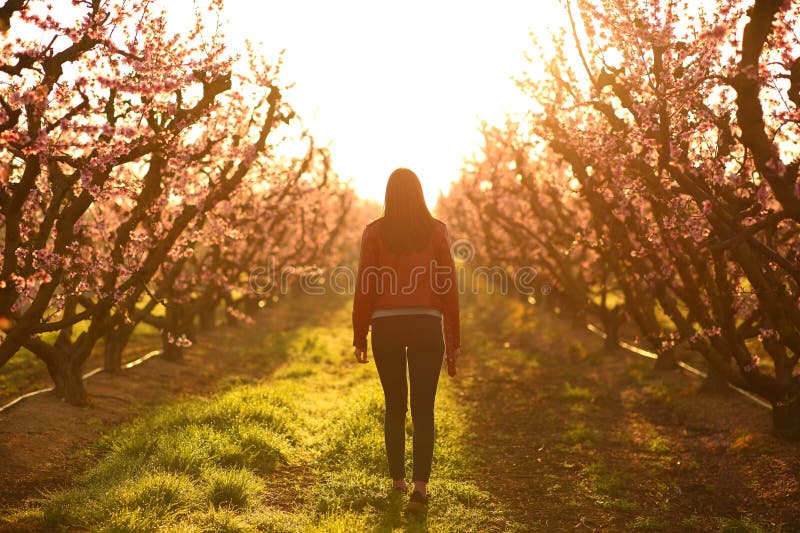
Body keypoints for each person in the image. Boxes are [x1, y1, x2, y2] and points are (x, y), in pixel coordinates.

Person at [352, 167, 461, 514]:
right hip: (427, 325)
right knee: (424, 408)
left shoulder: (374, 233)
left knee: (395, 405)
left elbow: (364, 287)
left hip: (386, 327)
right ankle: (420, 490)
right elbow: (449, 290)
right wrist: (453, 340)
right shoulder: (437, 232)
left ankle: (397, 481)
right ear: (420, 194)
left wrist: (360, 334)